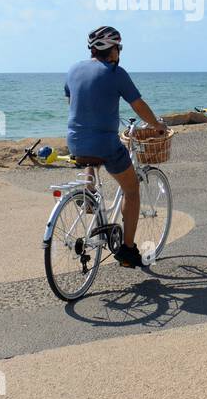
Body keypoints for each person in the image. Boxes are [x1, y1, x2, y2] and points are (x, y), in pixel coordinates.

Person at [64, 26, 165, 268]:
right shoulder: (116, 72)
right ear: (113, 49)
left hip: (75, 141)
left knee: (92, 157)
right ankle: (127, 250)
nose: (119, 53)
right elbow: (138, 105)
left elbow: (72, 100)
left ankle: (88, 193)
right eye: (119, 48)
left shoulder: (74, 69)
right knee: (131, 190)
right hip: (104, 143)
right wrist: (157, 125)